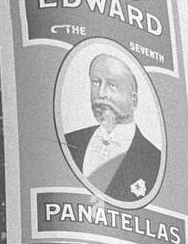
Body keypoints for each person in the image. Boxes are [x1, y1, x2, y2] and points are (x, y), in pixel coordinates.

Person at [63, 53, 162, 203]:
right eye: (96, 82)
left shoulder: (155, 161)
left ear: (133, 100)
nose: (101, 93)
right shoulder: (69, 142)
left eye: (112, 85)